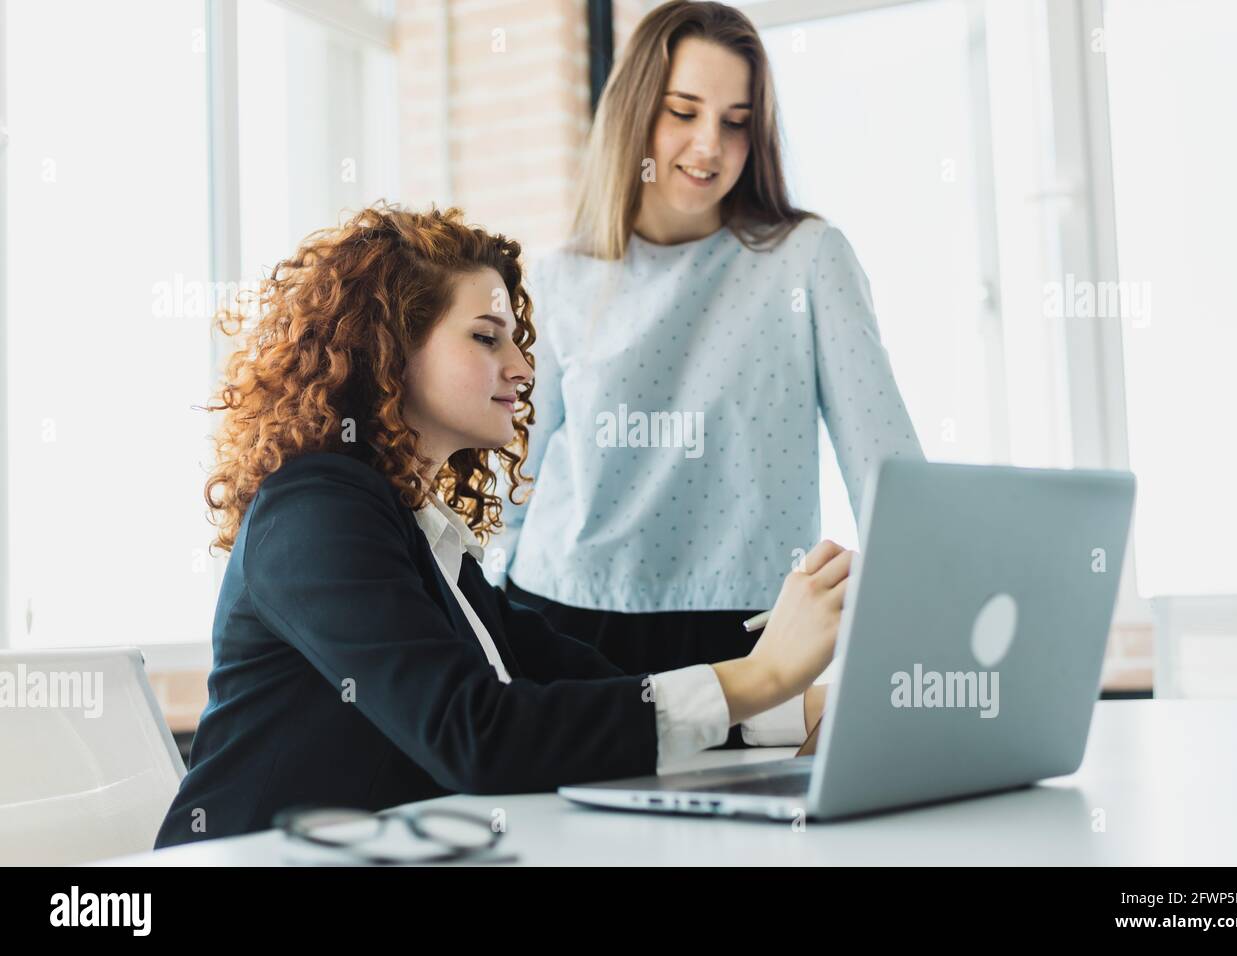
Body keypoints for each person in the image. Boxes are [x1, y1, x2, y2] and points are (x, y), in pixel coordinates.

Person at [154, 204, 850, 847]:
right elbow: (475, 735)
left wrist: (805, 707)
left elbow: (593, 691)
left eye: (517, 343)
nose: (523, 369)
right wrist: (762, 677)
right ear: (390, 350)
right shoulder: (313, 511)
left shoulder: (427, 545)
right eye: (488, 339)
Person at [495, 0, 923, 747]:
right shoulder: (561, 279)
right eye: (683, 112)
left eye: (736, 121)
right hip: (561, 622)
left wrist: (921, 639)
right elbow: (514, 483)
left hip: (748, 637)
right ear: (634, 114)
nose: (709, 145)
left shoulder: (808, 259)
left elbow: (888, 472)